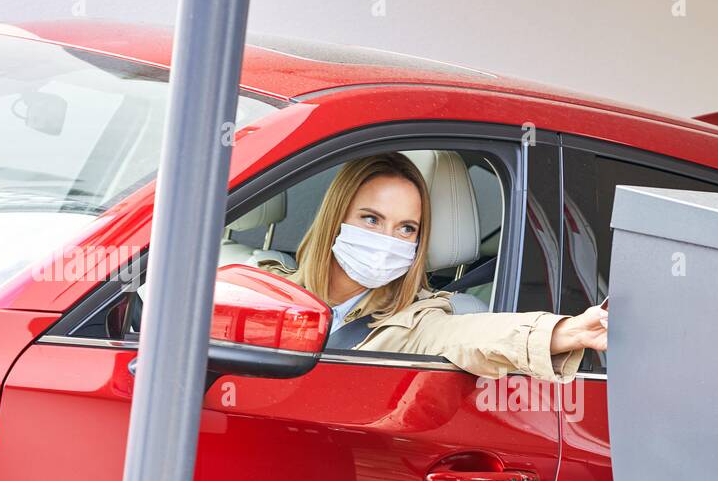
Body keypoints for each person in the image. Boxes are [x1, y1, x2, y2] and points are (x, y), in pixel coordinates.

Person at [260, 152, 607, 382]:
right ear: (336, 219)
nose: (387, 240)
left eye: (406, 228)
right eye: (371, 219)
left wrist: (568, 332)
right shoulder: (263, 285)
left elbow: (473, 336)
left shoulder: (415, 322)